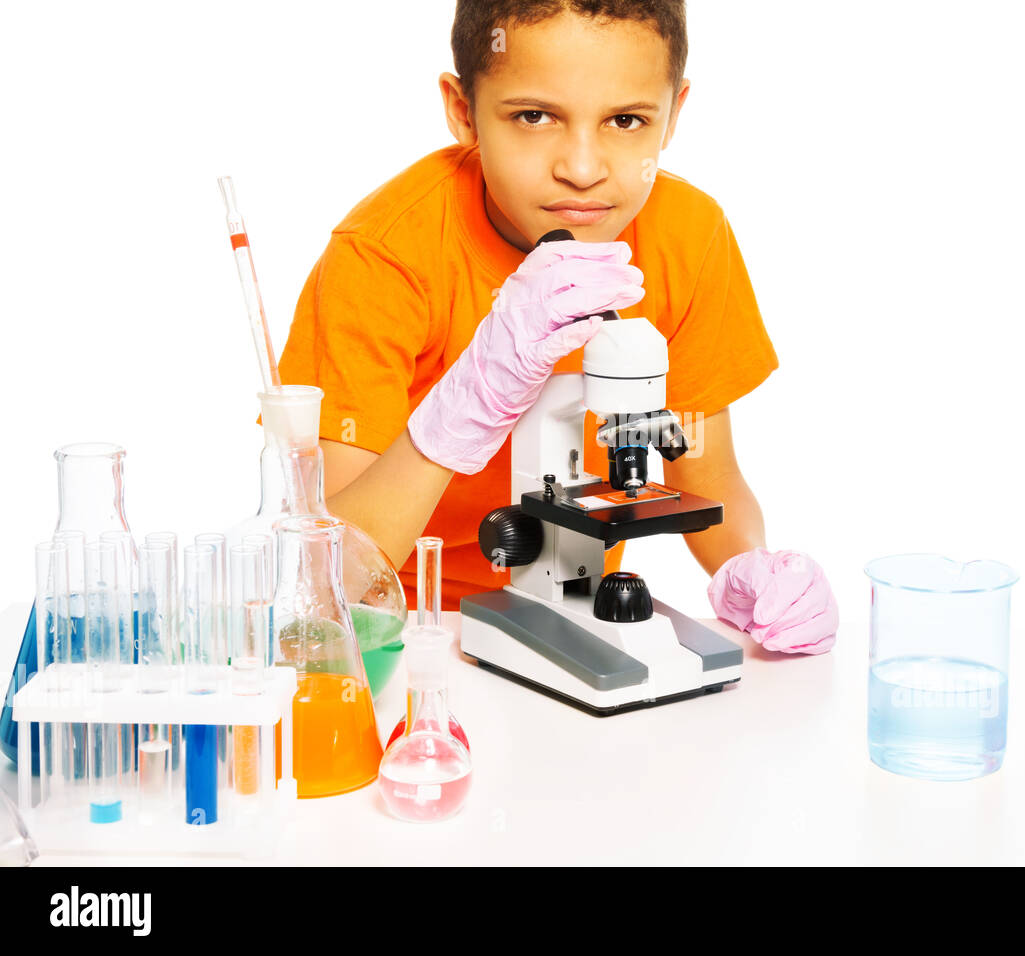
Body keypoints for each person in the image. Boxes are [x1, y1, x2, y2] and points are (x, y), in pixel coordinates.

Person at [278, 0, 837, 654]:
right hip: (405, 620)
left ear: (674, 114)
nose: (582, 167)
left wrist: (753, 571)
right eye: (534, 117)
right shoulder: (383, 257)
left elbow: (705, 481)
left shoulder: (690, 235)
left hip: (578, 606)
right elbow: (330, 568)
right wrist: (463, 408)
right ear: (464, 111)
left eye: (626, 120)